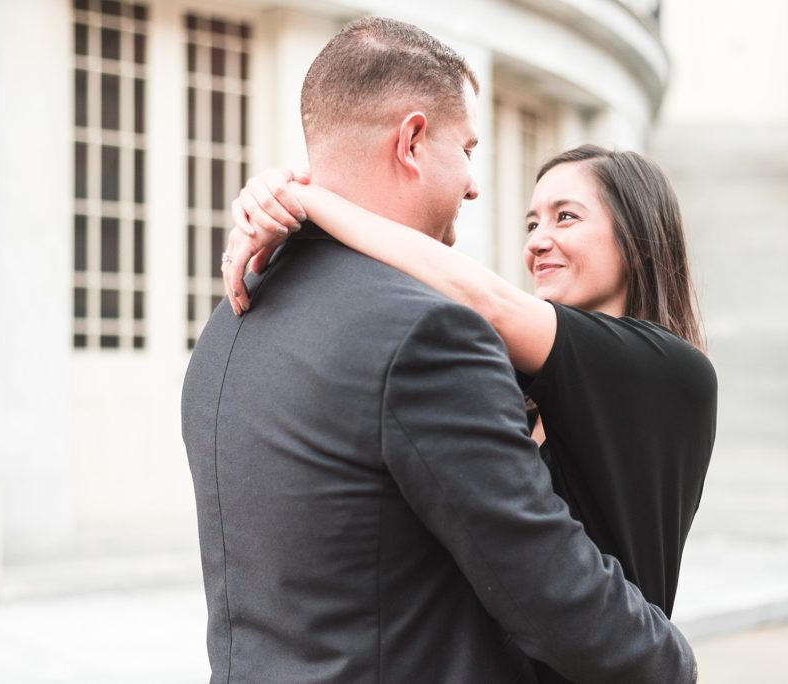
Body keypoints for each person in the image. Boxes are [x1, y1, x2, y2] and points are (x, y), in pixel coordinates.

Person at [183, 15, 697, 684]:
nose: (475, 183)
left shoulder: (231, 320)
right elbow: (545, 587)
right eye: (469, 150)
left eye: (565, 217)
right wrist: (670, 662)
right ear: (413, 141)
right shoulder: (428, 336)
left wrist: (297, 193)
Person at [228, 145, 716, 621]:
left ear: (637, 238)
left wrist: (305, 200)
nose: (537, 242)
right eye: (532, 223)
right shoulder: (523, 381)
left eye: (565, 217)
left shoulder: (670, 370)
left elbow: (483, 299)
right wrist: (277, 200)